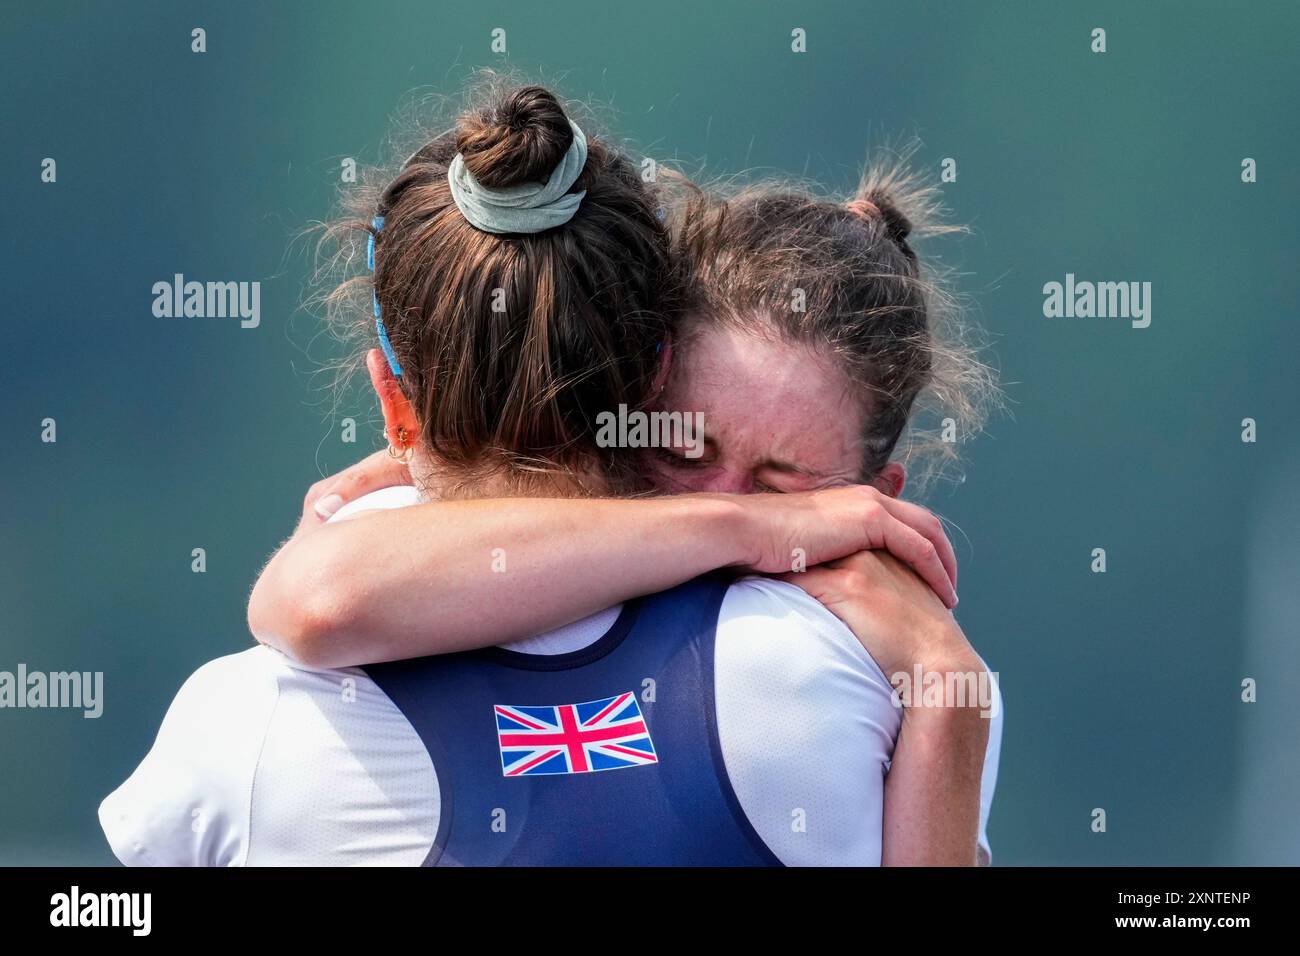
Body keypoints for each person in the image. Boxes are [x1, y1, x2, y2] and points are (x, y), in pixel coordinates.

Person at [101, 82, 998, 866]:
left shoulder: (243, 726)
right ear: (651, 381)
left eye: (779, 488)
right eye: (688, 452)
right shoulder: (875, 680)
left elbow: (313, 600)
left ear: (392, 400)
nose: (724, 507)